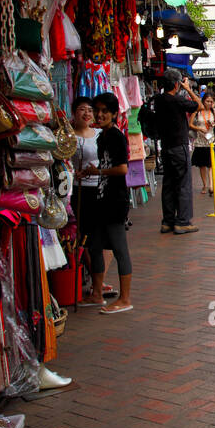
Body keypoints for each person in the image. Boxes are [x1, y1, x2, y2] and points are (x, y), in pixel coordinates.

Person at [79, 92, 134, 314]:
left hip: (115, 201)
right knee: (94, 246)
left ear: (113, 114)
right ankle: (97, 293)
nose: (99, 115)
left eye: (104, 111)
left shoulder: (116, 137)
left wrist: (98, 171)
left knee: (120, 249)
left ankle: (125, 298)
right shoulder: (101, 137)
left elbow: (122, 169)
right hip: (101, 199)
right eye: (96, 110)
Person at [153, 69, 203, 235]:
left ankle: (167, 221)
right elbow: (199, 104)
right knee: (183, 184)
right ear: (177, 84)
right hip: (179, 146)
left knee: (168, 184)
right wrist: (188, 89)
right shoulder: (177, 100)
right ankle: (182, 221)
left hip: (166, 147)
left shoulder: (158, 99)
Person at [71, 96, 109, 306]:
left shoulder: (101, 134)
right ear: (74, 113)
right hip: (79, 191)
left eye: (90, 110)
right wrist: (72, 173)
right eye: (82, 110)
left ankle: (98, 289)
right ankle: (97, 285)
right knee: (83, 238)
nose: (87, 114)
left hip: (99, 189)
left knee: (97, 240)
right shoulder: (69, 137)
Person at [190, 93, 215, 195]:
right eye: (207, 101)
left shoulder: (214, 111)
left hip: (211, 141)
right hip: (200, 142)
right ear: (203, 101)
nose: (209, 103)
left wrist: (214, 124)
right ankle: (205, 184)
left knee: (211, 164)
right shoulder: (197, 111)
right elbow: (190, 125)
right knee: (202, 165)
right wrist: (199, 128)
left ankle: (211, 185)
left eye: (211, 101)